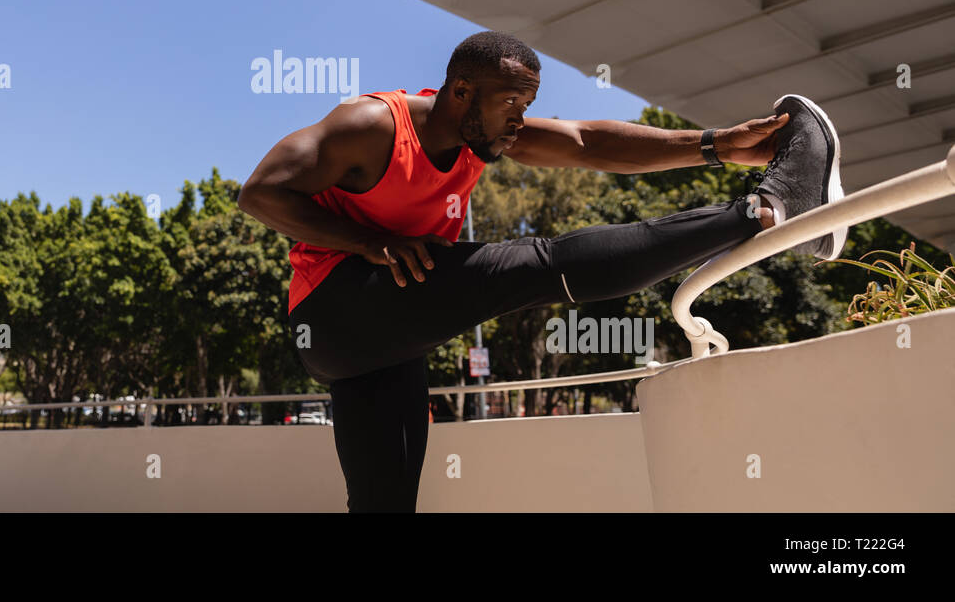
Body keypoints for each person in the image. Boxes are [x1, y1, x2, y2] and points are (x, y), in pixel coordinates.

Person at [237, 30, 845, 512]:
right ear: (460, 93)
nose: (519, 119)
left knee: (385, 502)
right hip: (334, 312)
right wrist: (370, 241)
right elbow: (260, 193)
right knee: (537, 266)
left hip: (385, 344)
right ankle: (764, 210)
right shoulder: (371, 126)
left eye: (527, 105)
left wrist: (718, 145)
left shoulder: (486, 138)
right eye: (510, 103)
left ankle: (771, 204)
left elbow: (587, 143)